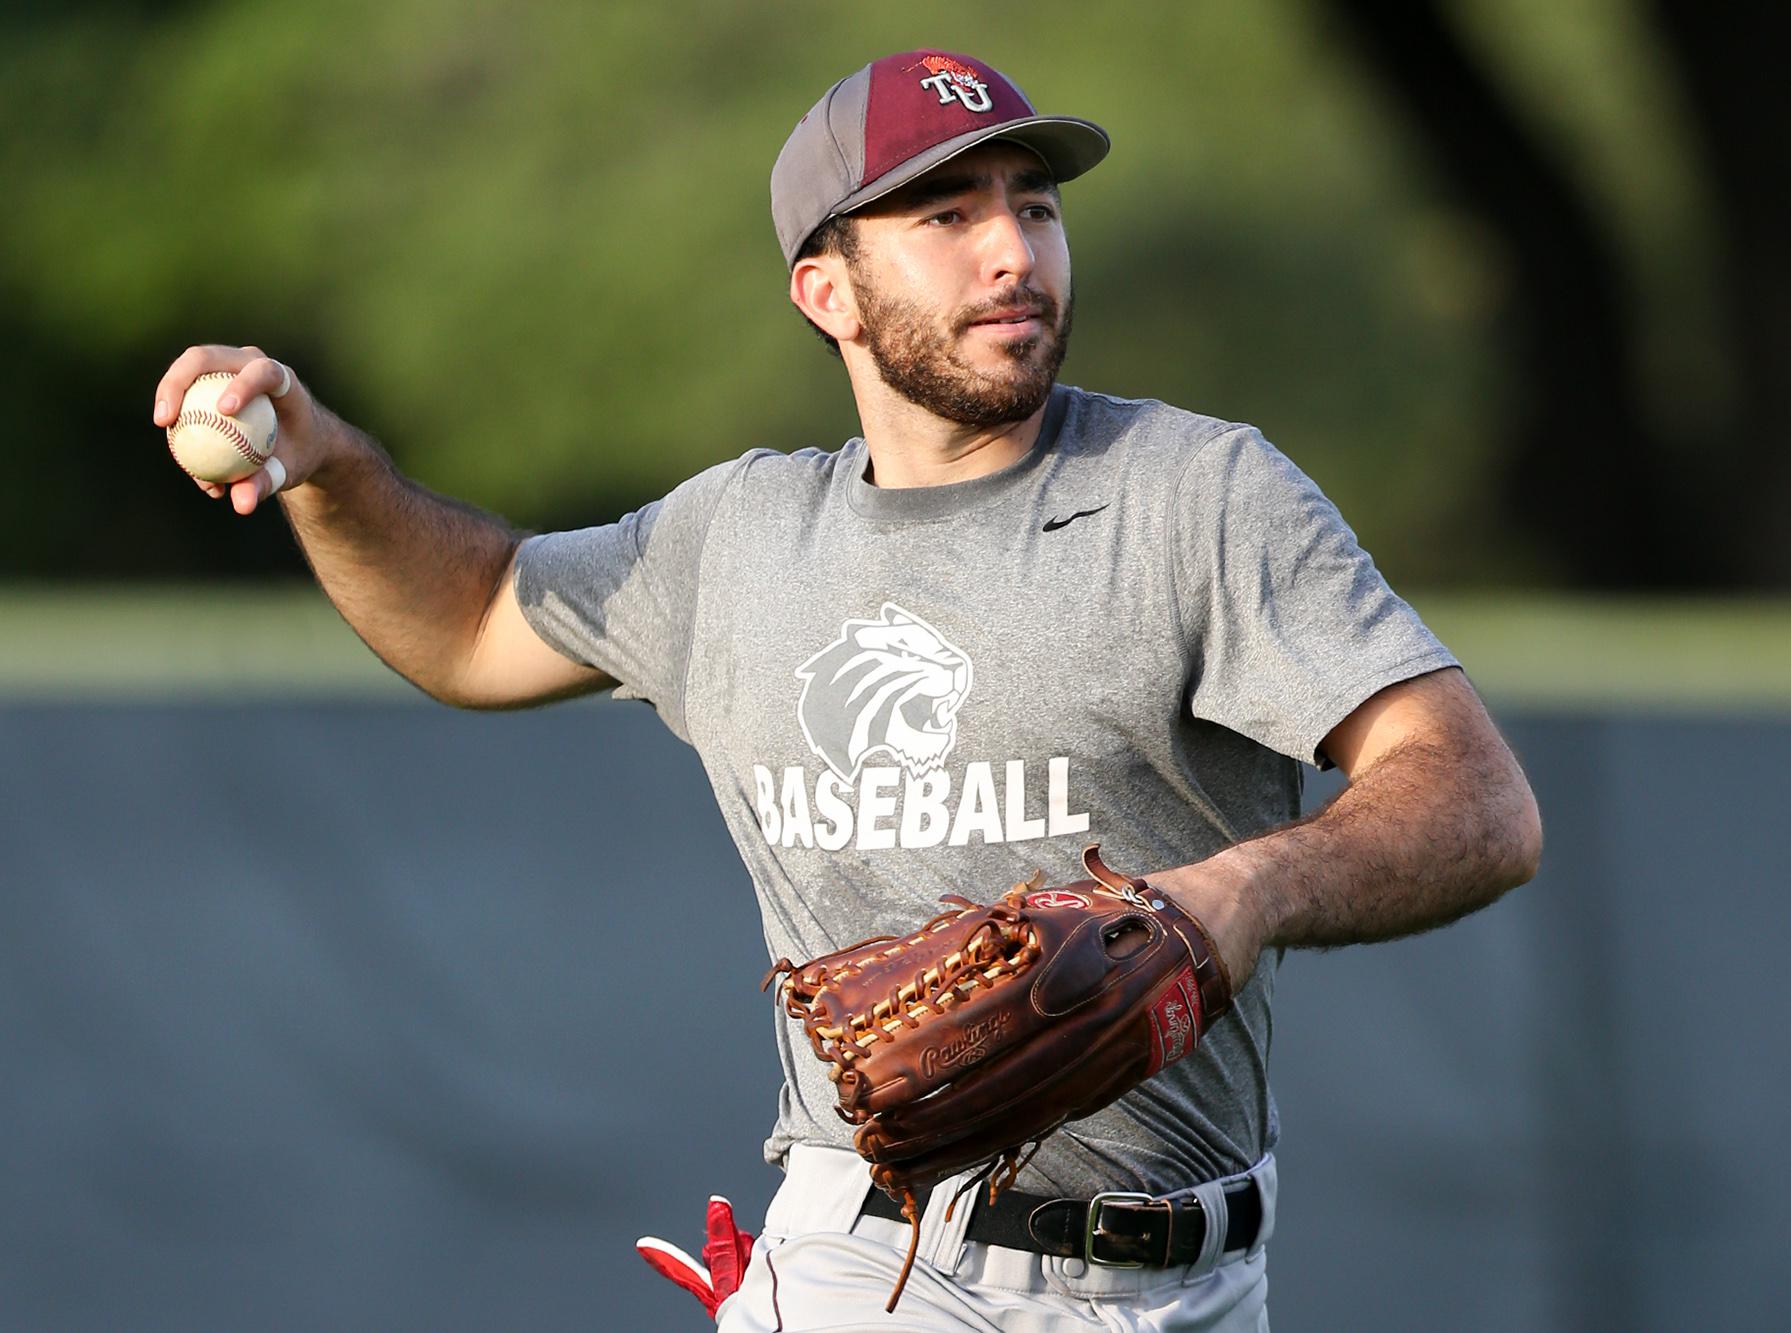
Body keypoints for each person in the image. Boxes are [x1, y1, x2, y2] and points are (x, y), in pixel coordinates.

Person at [153, 48, 1540, 1332]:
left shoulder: (1197, 497)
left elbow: (1479, 799)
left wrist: (1247, 890)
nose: (1013, 250)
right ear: (828, 292)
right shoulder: (736, 540)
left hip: (1195, 1283)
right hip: (874, 1268)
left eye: (1035, 206)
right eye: (947, 216)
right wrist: (329, 468)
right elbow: (470, 619)